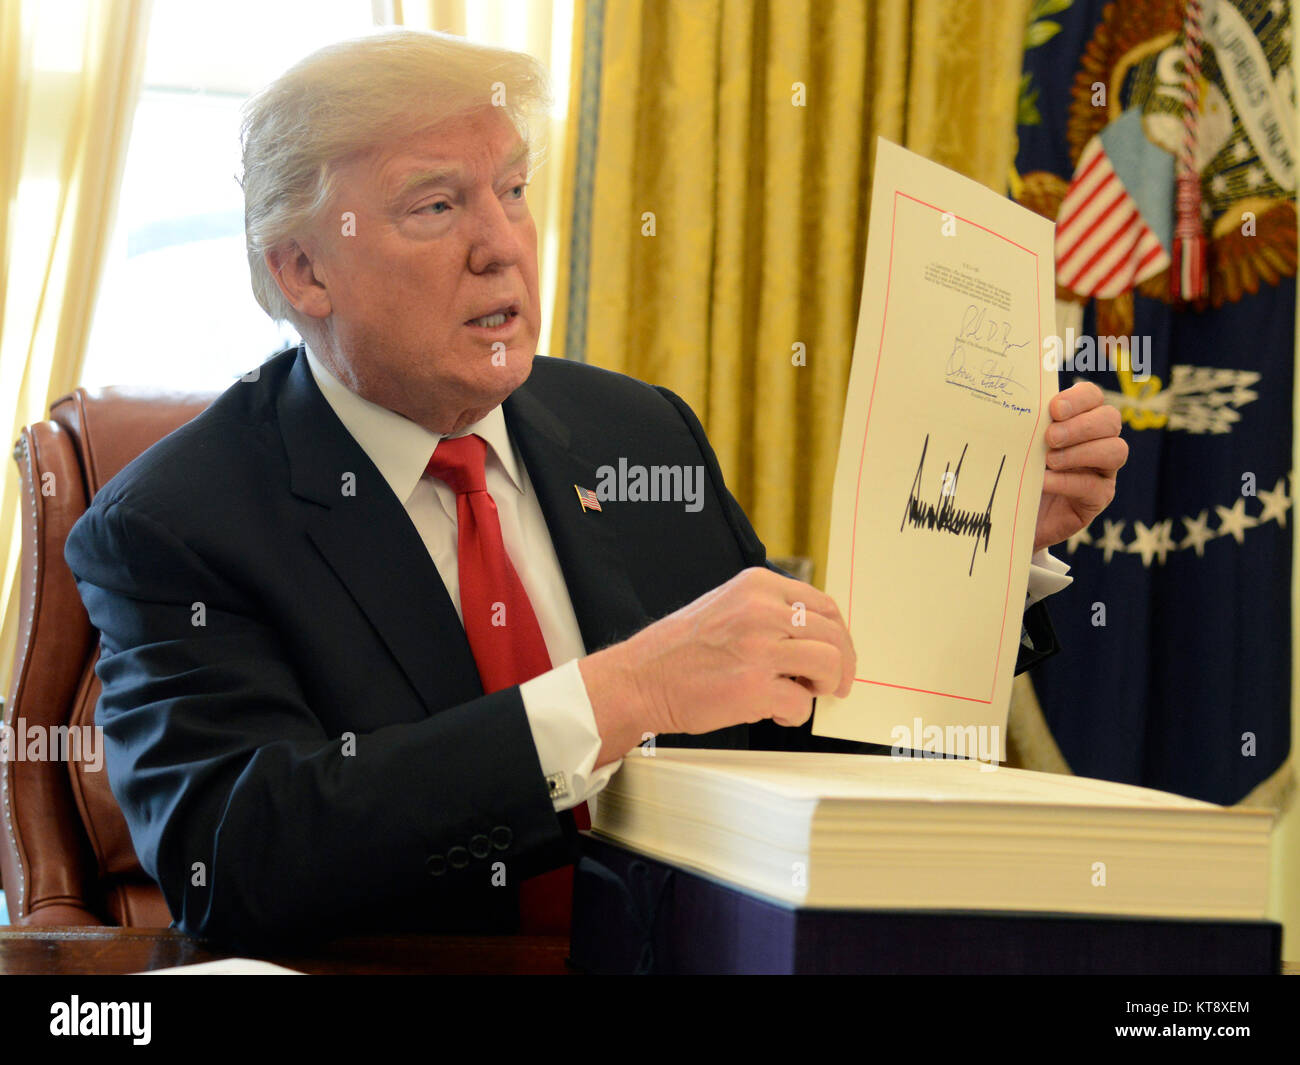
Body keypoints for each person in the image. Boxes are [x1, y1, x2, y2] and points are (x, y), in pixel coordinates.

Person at [65, 29, 1127, 947]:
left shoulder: (633, 432)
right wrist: (621, 696)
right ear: (302, 269)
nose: (502, 247)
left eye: (514, 190)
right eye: (436, 205)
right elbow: (234, 860)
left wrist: (982, 550)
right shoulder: (175, 524)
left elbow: (805, 733)